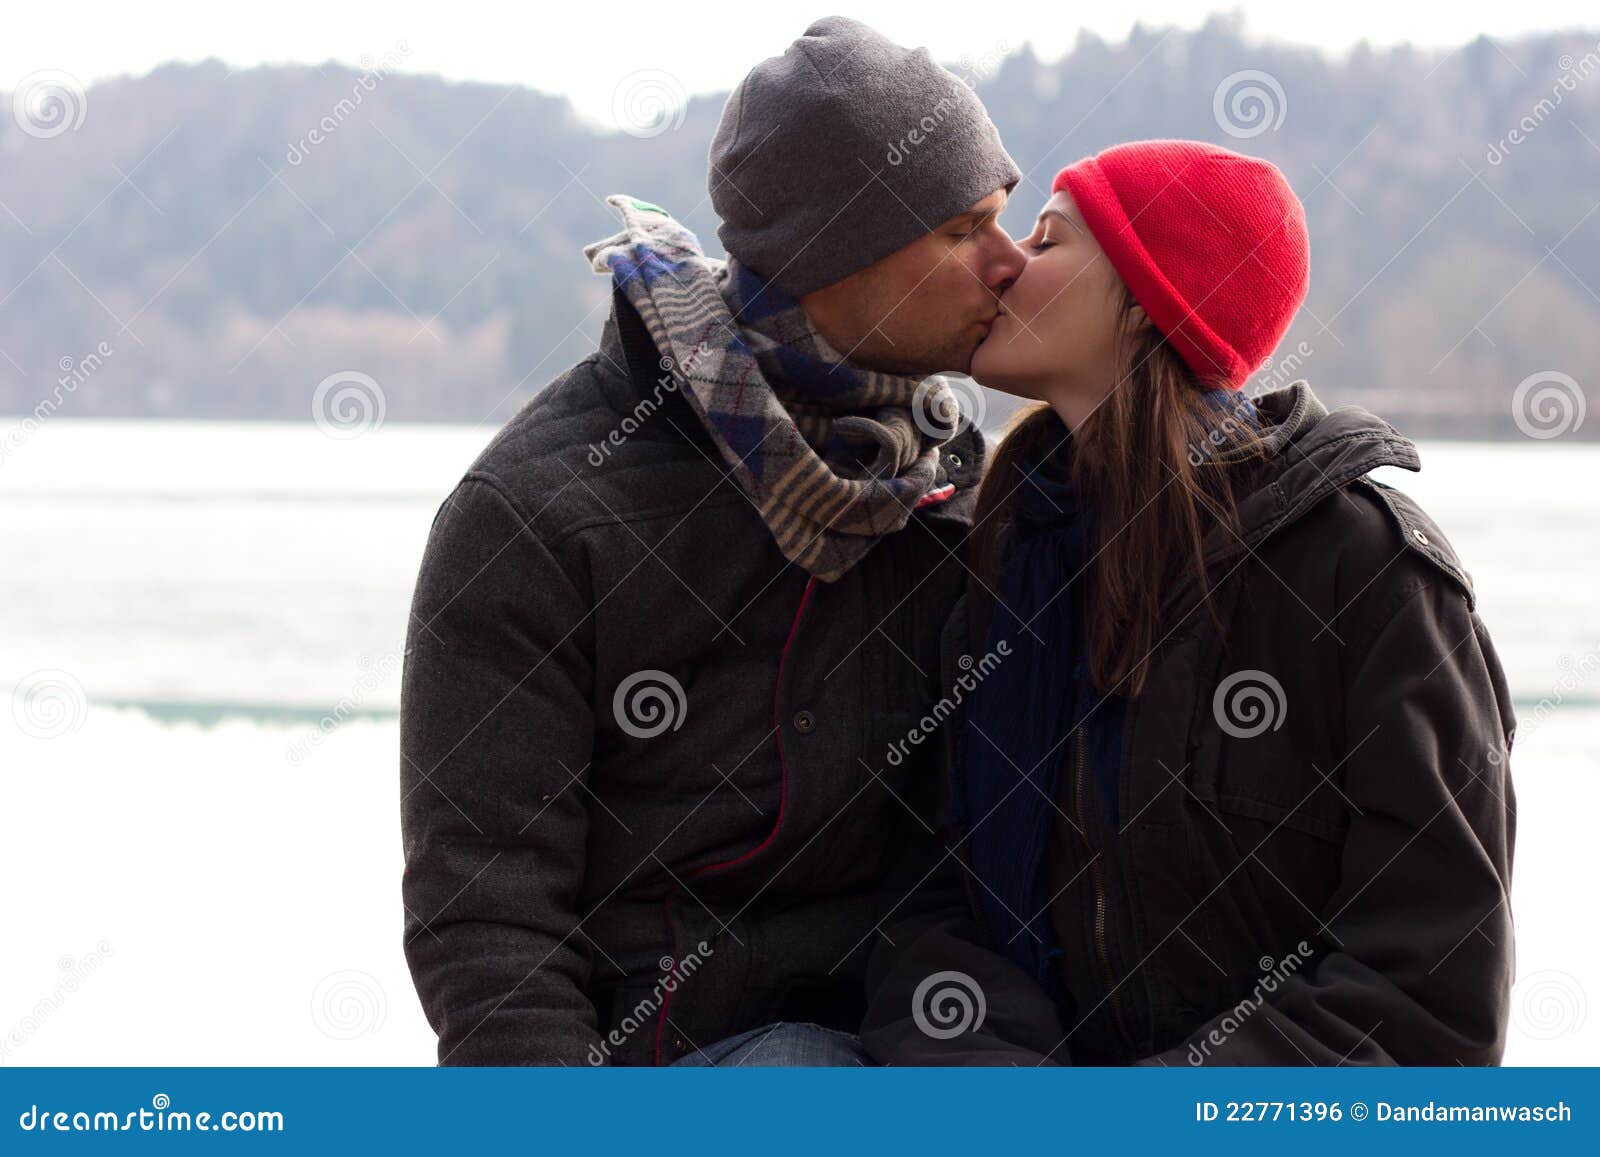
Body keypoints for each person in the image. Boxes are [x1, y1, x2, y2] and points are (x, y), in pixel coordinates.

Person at [399, 16, 1027, 1065]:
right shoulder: (539, 509)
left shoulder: (953, 473)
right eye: (963, 230)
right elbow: (486, 916)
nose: (1009, 262)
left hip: (923, 1046)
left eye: (1004, 218)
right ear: (834, 254)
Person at [860, 139, 1519, 1065]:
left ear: (1146, 300)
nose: (1003, 262)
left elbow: (1428, 988)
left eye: (1046, 241)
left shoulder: (1364, 570)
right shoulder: (1003, 555)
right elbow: (929, 900)